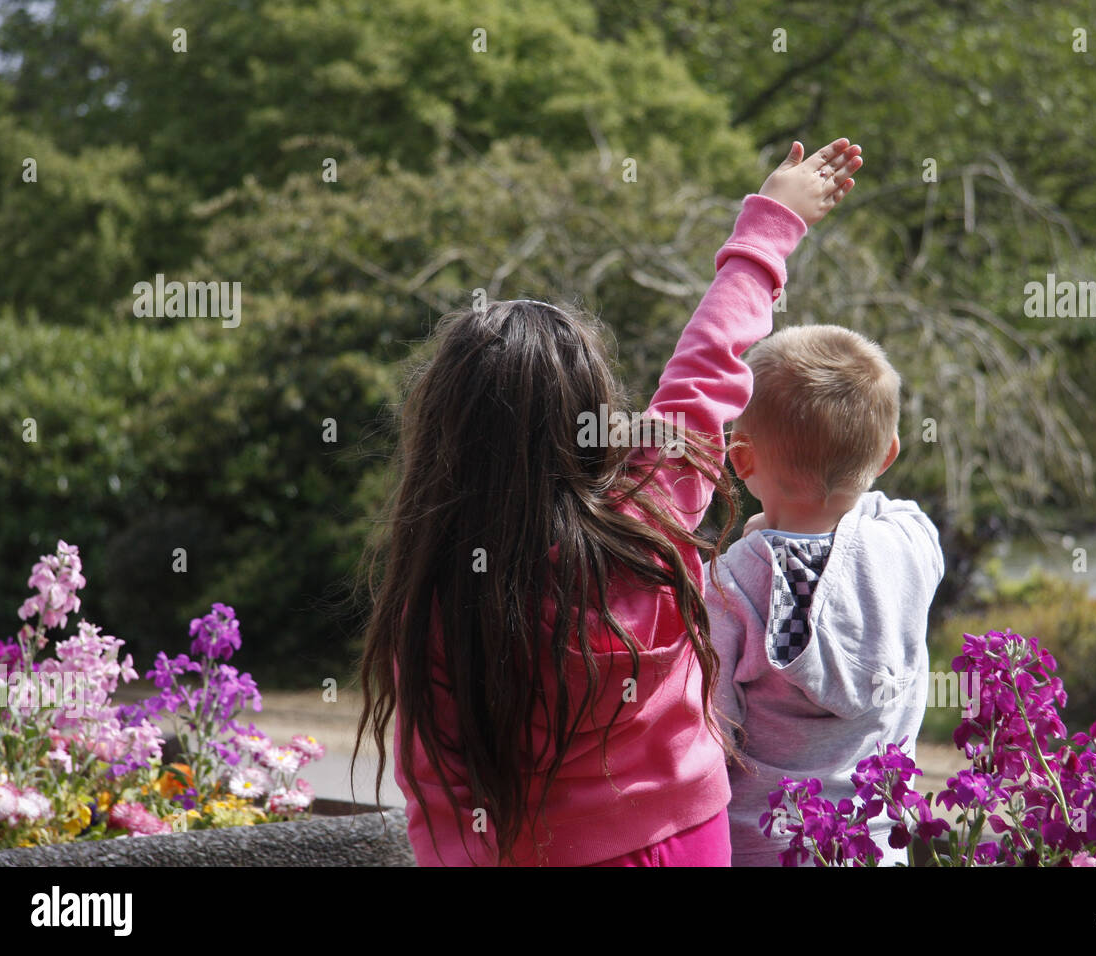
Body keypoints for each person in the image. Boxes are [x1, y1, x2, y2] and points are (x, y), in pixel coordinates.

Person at [352, 138, 864, 866]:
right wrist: (770, 223)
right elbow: (707, 363)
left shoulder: (436, 599)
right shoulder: (649, 509)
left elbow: (441, 800)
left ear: (442, 437)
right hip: (691, 841)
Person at [708, 323, 944, 866]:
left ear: (740, 460)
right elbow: (877, 511)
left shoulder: (728, 585)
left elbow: (711, 740)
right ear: (888, 456)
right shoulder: (912, 545)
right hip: (877, 844)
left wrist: (764, 531)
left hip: (766, 849)